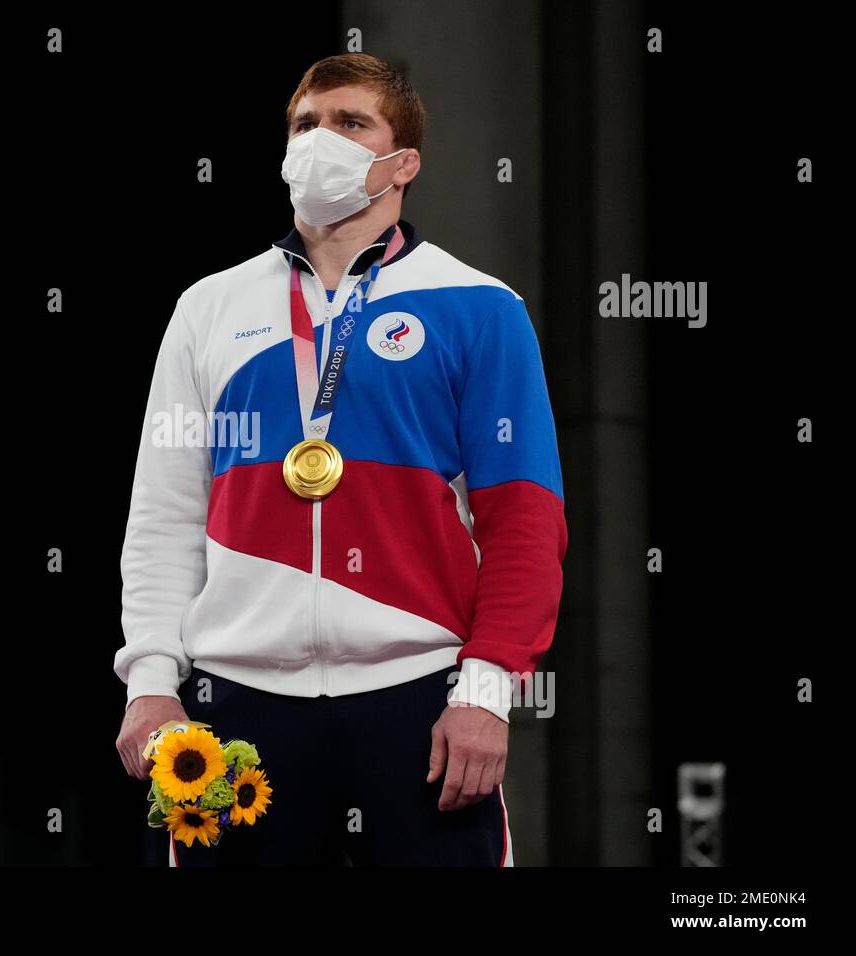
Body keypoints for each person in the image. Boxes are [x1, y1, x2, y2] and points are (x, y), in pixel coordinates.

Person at [114, 53, 568, 866]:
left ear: (403, 164)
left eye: (350, 123)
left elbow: (526, 522)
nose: (320, 140)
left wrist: (489, 691)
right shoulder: (208, 309)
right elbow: (164, 513)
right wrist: (150, 679)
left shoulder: (482, 308)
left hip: (422, 702)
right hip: (234, 705)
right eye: (305, 125)